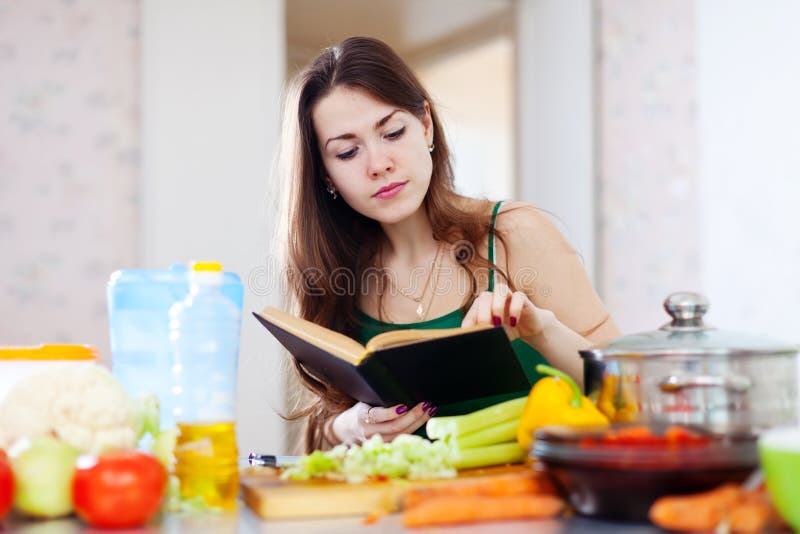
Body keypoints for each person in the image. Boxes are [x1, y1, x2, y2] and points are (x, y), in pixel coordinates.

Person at [273, 36, 620, 453]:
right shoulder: (335, 273)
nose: (379, 164)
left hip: (534, 493)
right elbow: (314, 444)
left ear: (426, 125)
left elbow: (626, 394)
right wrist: (347, 427)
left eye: (393, 132)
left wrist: (543, 329)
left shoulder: (515, 233)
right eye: (347, 153)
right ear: (325, 174)